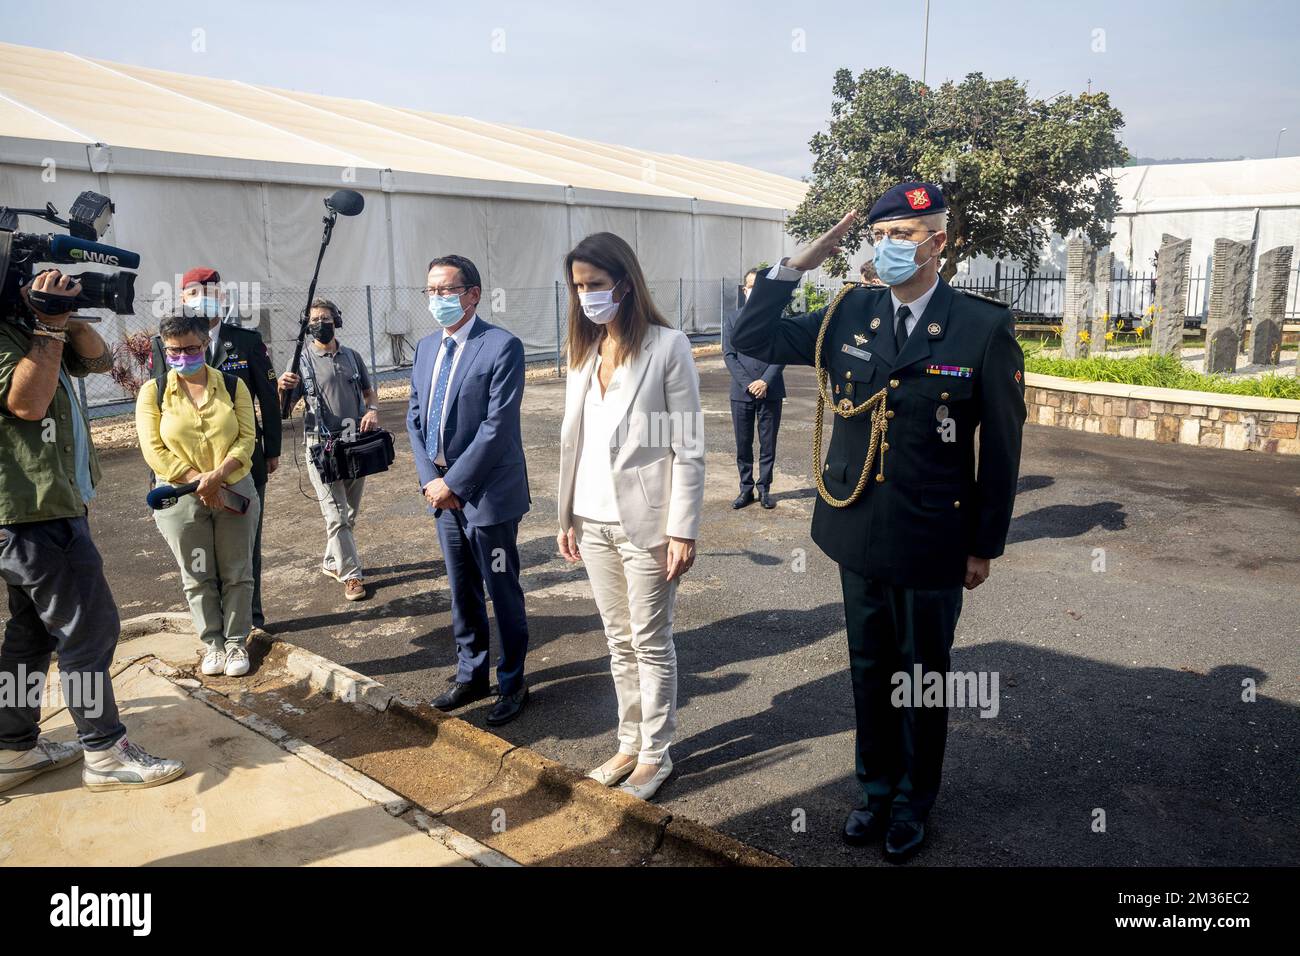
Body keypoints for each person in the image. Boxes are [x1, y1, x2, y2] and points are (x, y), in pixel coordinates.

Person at [731, 182, 1026, 862]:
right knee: (870, 667)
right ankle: (874, 790)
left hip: (933, 537)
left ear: (939, 242)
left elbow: (1003, 449)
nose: (894, 247)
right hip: (856, 527)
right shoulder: (847, 314)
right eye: (885, 235)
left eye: (907, 234)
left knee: (922, 674)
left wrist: (984, 545)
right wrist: (795, 266)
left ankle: (912, 803)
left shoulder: (980, 326)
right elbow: (752, 337)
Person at [1, 269, 184, 793]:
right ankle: (105, 752)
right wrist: (49, 325)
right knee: (87, 630)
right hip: (33, 514)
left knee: (30, 635)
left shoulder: (31, 330)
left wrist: (63, 315)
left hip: (45, 508)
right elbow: (27, 405)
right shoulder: (17, 338)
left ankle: (12, 747)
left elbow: (99, 359)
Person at [556, 232, 704, 801]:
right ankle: (626, 741)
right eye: (578, 287)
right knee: (617, 641)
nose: (587, 296)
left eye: (595, 284)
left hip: (646, 522)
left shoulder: (666, 347)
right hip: (590, 523)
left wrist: (682, 528)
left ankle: (655, 753)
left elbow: (686, 446)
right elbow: (575, 443)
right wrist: (565, 515)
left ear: (624, 282)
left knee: (650, 640)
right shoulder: (583, 353)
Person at [406, 255, 532, 726]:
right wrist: (431, 482)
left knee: (501, 588)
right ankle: (471, 674)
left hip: (489, 496)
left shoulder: (501, 347)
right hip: (441, 494)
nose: (437, 299)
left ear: (473, 294)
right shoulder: (424, 348)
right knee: (463, 590)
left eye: (446, 290)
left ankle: (513, 680)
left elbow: (497, 427)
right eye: (431, 291)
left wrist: (454, 483)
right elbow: (416, 419)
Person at [151, 267, 280, 629]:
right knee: (198, 553)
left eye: (210, 291)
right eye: (194, 292)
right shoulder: (164, 343)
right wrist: (160, 472)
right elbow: (158, 409)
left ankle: (250, 620)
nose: (203, 298)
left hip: (240, 463)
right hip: (184, 471)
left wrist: (272, 449)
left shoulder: (246, 340)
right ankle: (213, 624)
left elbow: (267, 398)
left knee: (244, 546)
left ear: (222, 297)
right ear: (181, 299)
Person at [137, 312, 261, 679]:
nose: (183, 356)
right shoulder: (154, 392)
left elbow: (246, 438)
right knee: (197, 571)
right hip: (182, 498)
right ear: (164, 348)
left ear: (206, 344)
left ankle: (237, 640)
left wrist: (218, 476)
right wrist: (199, 481)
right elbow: (154, 449)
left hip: (233, 489)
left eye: (191, 348)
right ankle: (213, 643)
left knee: (237, 570)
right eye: (174, 351)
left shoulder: (233, 386)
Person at [277, 299, 378, 602]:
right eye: (315, 318)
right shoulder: (301, 361)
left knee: (349, 512)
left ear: (337, 320)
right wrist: (281, 389)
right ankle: (351, 575)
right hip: (321, 445)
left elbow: (369, 392)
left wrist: (372, 411)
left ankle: (332, 561)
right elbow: (284, 409)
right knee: (335, 515)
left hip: (355, 442)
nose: (321, 322)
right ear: (307, 325)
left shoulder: (352, 356)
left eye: (326, 317)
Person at [723, 267, 784, 510]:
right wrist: (749, 383)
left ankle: (765, 489)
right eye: (750, 287)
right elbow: (729, 355)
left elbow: (783, 353)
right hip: (741, 392)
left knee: (768, 444)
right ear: (744, 290)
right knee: (743, 444)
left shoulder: (775, 318)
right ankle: (745, 489)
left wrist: (765, 381)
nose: (754, 291)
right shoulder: (732, 319)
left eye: (759, 287)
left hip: (770, 390)